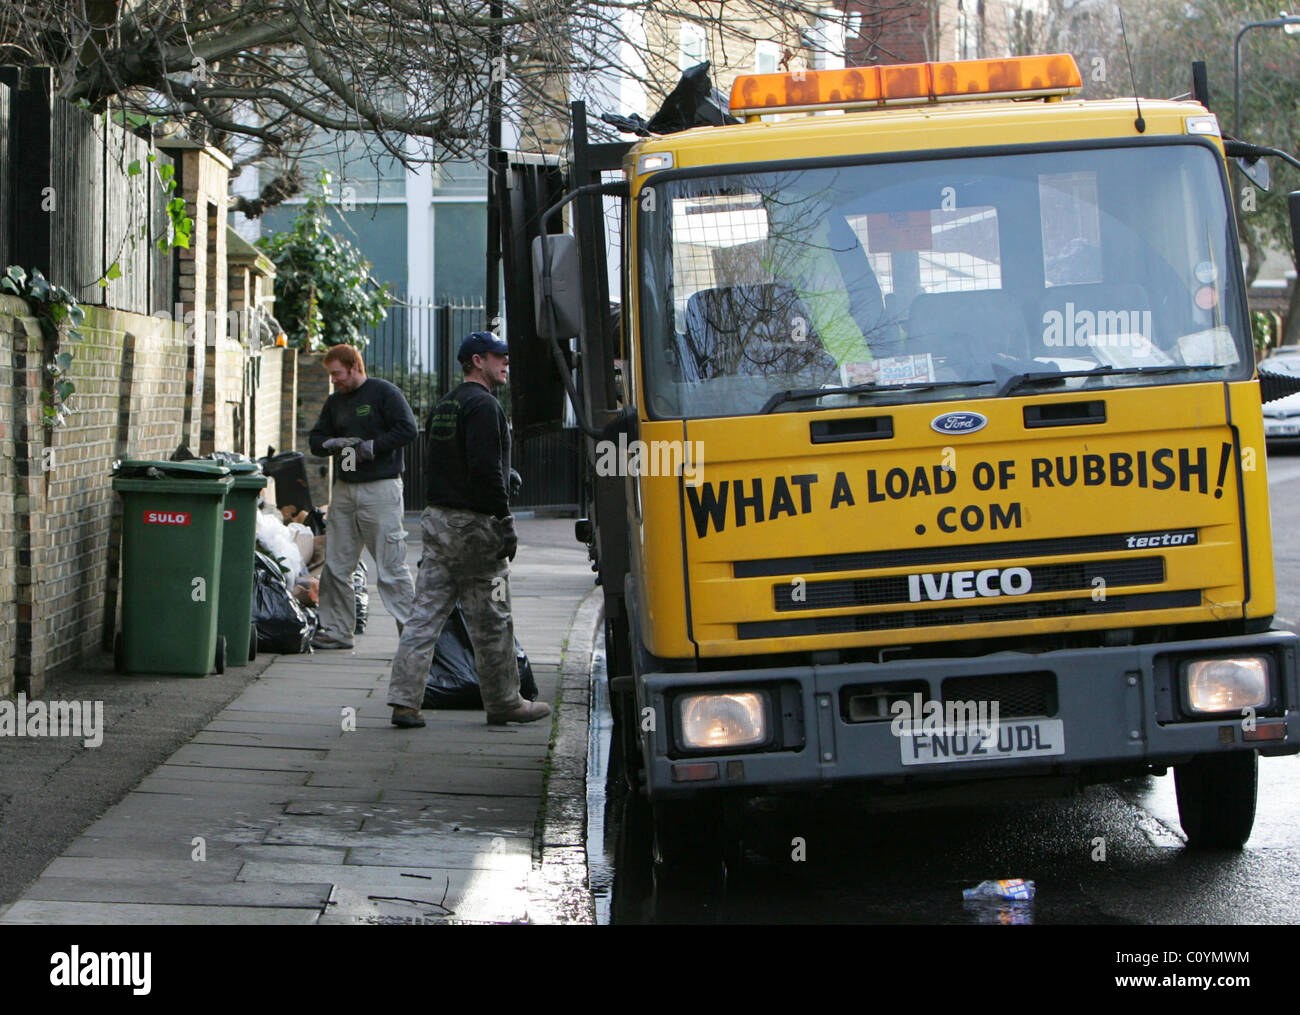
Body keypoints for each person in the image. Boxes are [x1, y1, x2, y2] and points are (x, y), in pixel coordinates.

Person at [385, 331, 550, 727]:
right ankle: (504, 702)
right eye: (499, 357)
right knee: (492, 617)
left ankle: (405, 703)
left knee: (424, 616)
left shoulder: (446, 405)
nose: (506, 363)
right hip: (475, 528)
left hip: (439, 522)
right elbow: (484, 470)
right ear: (478, 361)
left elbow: (445, 462)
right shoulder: (485, 407)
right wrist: (505, 522)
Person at [307, 344, 418, 649]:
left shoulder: (384, 393)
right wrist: (332, 442)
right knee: (336, 565)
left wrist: (372, 447)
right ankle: (336, 631)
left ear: (354, 366)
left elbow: (408, 429)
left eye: (337, 373)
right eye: (331, 375)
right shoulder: (335, 402)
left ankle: (412, 638)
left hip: (381, 488)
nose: (334, 380)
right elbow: (315, 440)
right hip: (344, 489)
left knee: (391, 567)